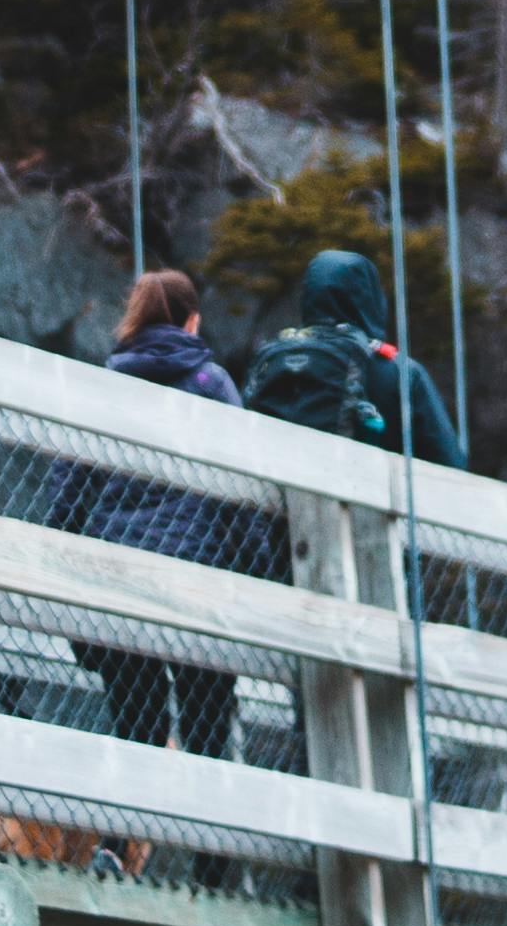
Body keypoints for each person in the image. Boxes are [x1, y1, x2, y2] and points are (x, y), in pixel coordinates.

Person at [80, 269, 246, 764]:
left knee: (136, 725)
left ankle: (120, 842)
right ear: (192, 322)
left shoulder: (106, 384)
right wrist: (256, 566)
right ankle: (208, 842)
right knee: (207, 726)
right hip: (198, 580)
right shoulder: (211, 385)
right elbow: (242, 488)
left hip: (119, 578)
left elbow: (72, 483)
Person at [239, 247, 463, 471]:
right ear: (370, 295)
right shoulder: (399, 371)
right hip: (368, 498)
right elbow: (449, 462)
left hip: (281, 498)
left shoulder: (272, 360)